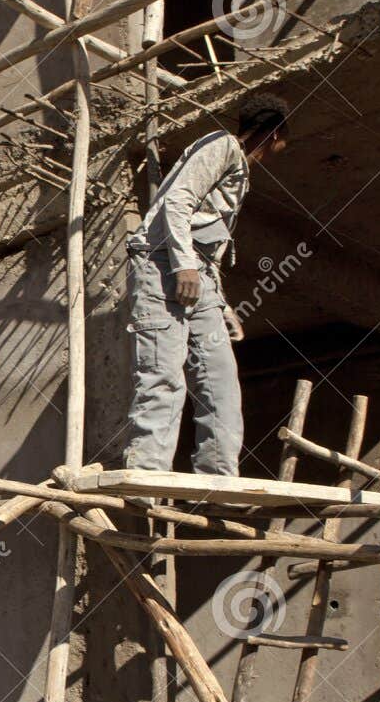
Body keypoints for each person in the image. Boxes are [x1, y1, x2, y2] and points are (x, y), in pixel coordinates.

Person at [121, 92, 291, 476]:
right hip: (161, 262)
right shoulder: (221, 145)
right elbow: (176, 202)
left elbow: (208, 249)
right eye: (281, 140)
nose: (280, 150)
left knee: (221, 382)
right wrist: (183, 267)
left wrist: (222, 305)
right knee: (163, 374)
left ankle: (218, 478)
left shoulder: (240, 169)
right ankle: (147, 476)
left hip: (199, 275)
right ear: (274, 131)